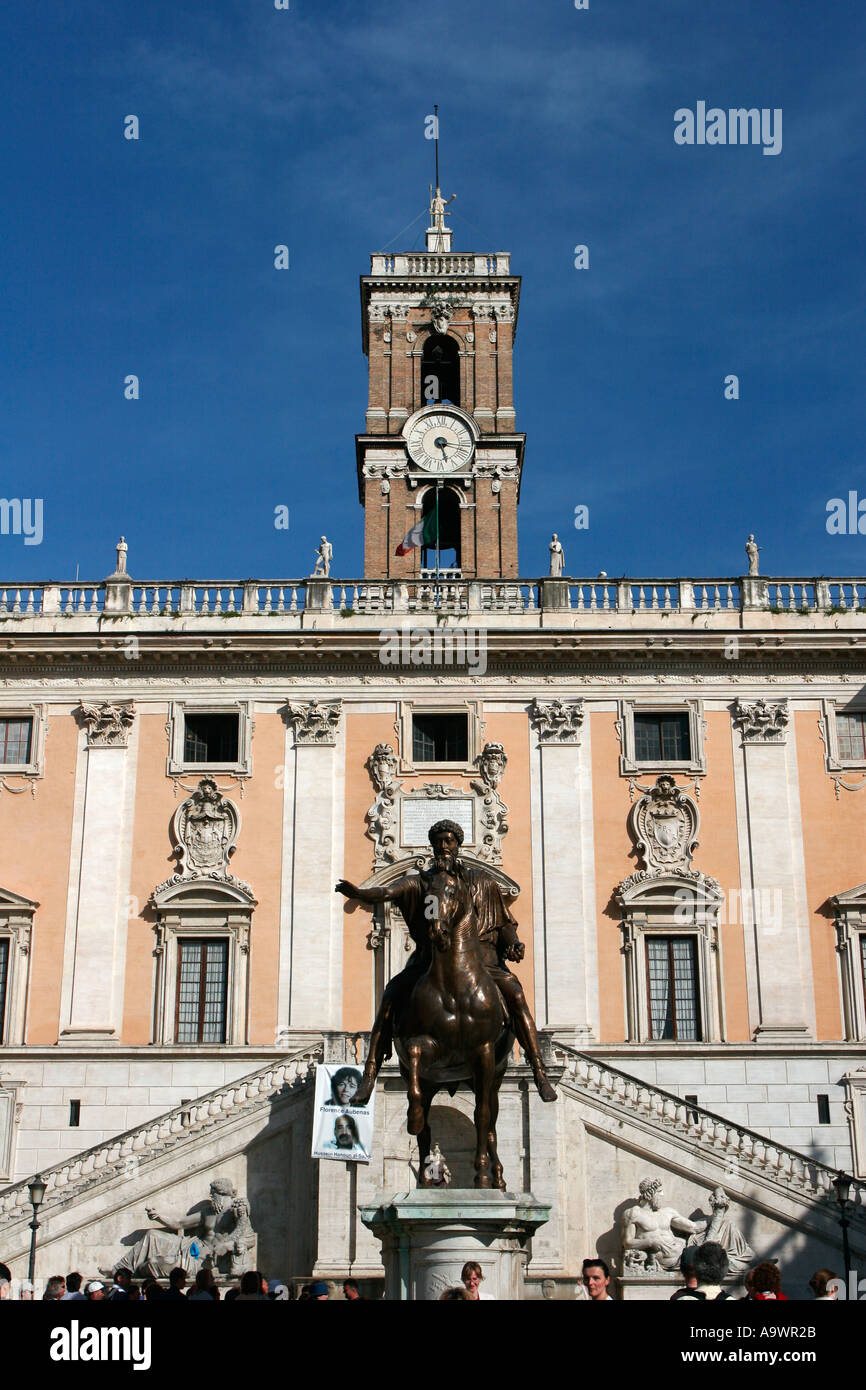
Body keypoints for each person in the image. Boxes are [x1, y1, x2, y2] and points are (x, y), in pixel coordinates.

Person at [336, 821, 557, 1105]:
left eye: (449, 841)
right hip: (428, 960)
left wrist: (512, 942)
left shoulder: (483, 882)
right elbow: (388, 892)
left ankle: (538, 1069)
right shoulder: (423, 882)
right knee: (391, 995)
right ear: (431, 845)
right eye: (438, 841)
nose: (443, 846)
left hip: (484, 962)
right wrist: (360, 894)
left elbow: (504, 923)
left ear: (458, 845)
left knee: (515, 994)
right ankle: (369, 1075)